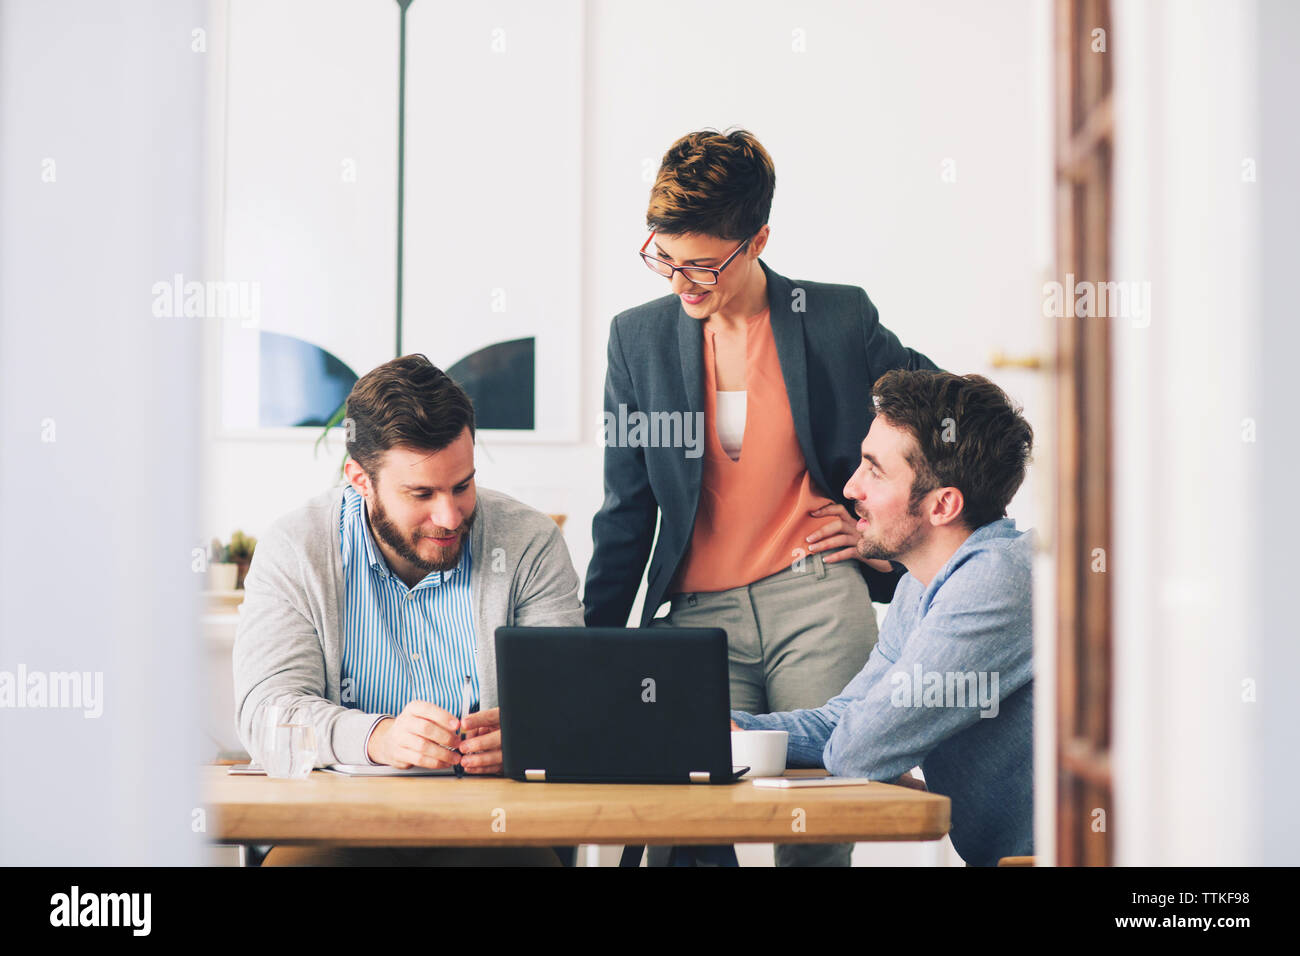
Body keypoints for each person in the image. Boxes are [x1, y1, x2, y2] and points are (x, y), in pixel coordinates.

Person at [585, 128, 938, 867]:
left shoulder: (838, 319)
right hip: (697, 615)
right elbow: (626, 510)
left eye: (704, 266)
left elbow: (949, 419)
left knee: (813, 830)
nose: (683, 284)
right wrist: (590, 653)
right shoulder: (637, 341)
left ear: (758, 239)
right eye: (666, 260)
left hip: (816, 604)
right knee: (682, 834)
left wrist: (875, 534)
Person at [233, 354, 584, 866]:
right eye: (421, 493)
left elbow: (573, 703)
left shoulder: (528, 542)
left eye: (462, 485)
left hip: (495, 829)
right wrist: (378, 737)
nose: (448, 515)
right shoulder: (296, 548)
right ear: (360, 479)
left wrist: (531, 736)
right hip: (333, 826)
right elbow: (268, 713)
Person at [730, 369, 1036, 867]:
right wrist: (729, 729)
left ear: (943, 505)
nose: (851, 487)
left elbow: (860, 748)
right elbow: (845, 720)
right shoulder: (920, 585)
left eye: (875, 470)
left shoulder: (995, 581)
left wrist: (875, 748)